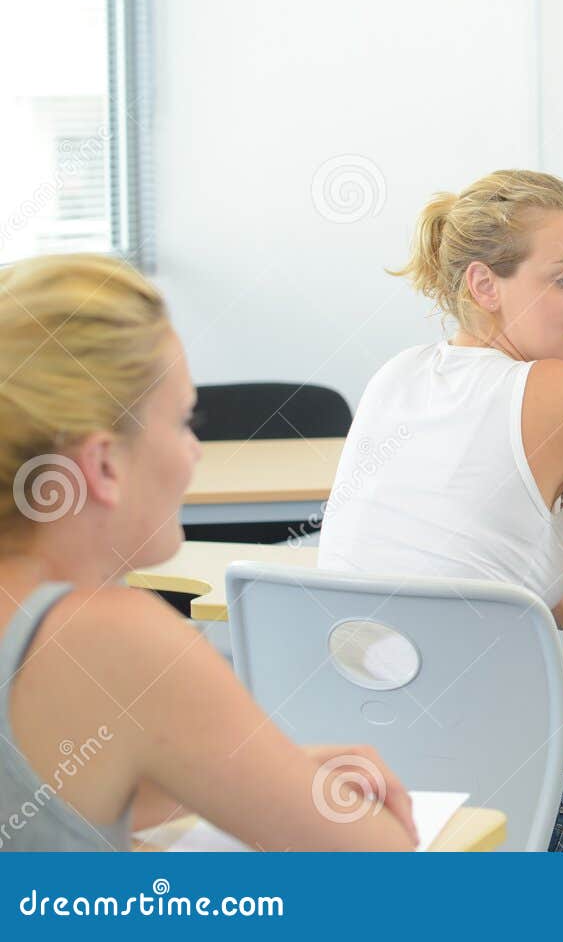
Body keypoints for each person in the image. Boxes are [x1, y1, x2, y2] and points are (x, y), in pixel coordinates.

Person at [317, 169, 563, 851]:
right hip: (509, 792)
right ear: (484, 286)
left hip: (353, 780)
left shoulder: (396, 375)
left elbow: (452, 552)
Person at [0, 254, 417, 851]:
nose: (195, 451)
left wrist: (250, 774)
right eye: (182, 422)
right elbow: (383, 863)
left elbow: (54, 797)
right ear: (102, 465)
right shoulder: (111, 638)